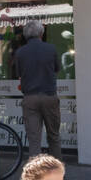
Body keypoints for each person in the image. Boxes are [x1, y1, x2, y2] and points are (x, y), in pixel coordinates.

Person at [13, 21, 61, 159]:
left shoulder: (20, 52)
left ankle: (35, 176)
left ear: (25, 35)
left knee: (34, 140)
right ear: (41, 33)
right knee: (54, 137)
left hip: (30, 99)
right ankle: (58, 174)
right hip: (49, 96)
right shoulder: (51, 49)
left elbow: (19, 74)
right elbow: (57, 69)